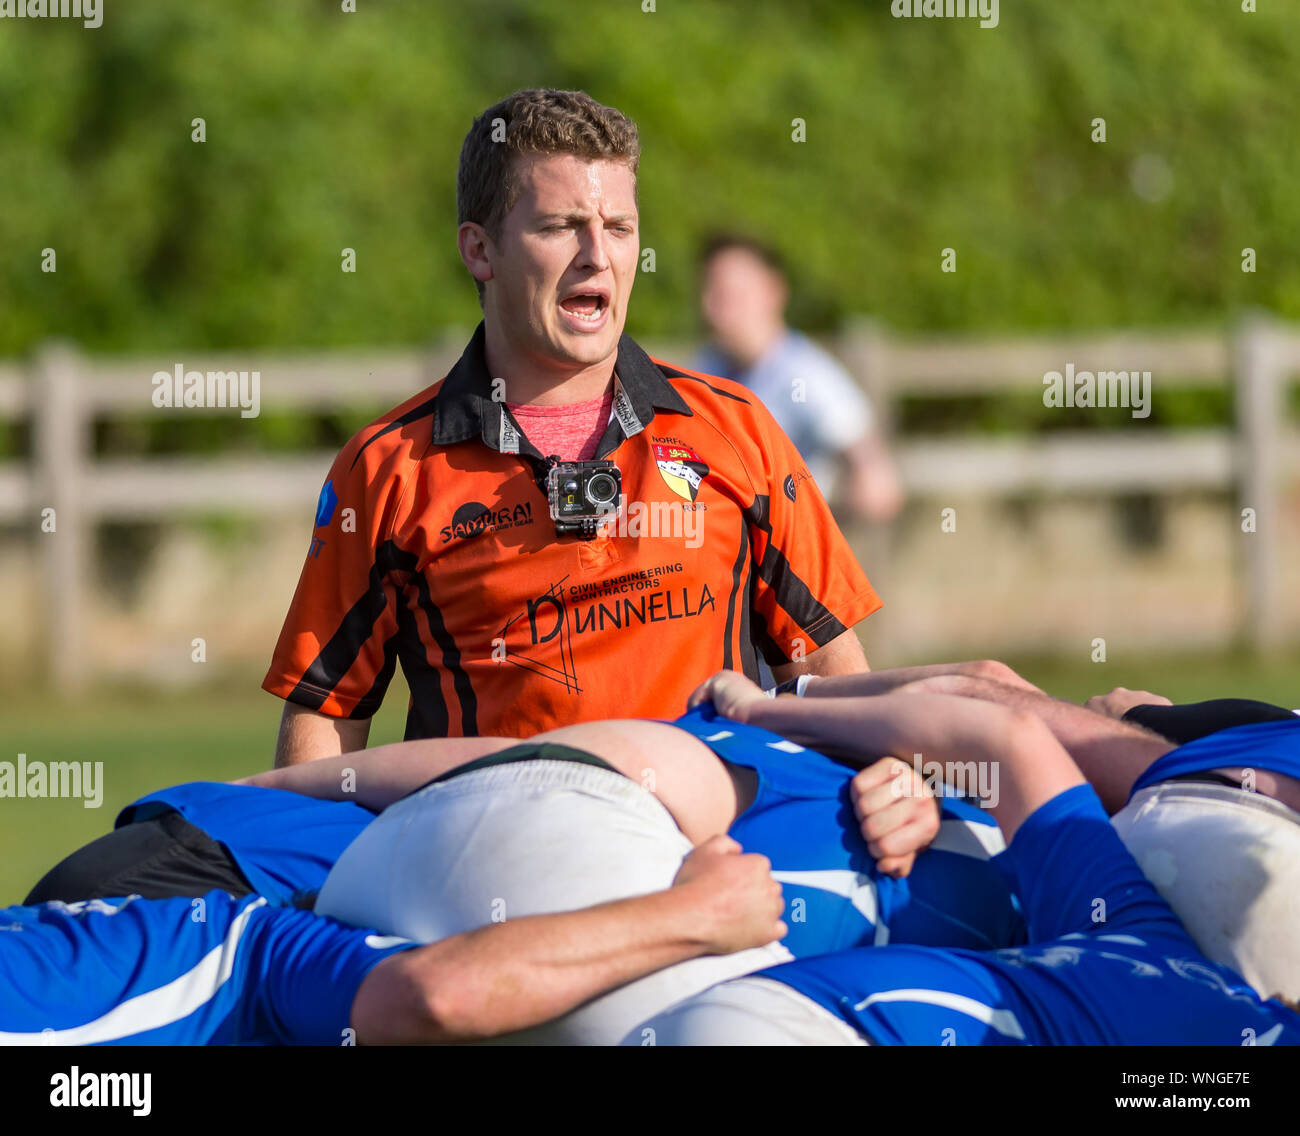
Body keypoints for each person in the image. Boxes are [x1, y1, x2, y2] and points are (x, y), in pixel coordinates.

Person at [264, 90, 881, 767]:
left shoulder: (737, 428)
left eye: (618, 227)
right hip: (496, 830)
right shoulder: (389, 467)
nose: (597, 255)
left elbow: (826, 672)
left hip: (715, 825)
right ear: (480, 250)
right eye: (560, 226)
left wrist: (881, 782)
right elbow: (326, 715)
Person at [246, 685, 1029, 1043]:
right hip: (557, 862)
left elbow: (524, 770)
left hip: (389, 877)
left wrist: (274, 789)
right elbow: (993, 696)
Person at [628, 675, 1300, 1046]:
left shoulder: (1137, 928)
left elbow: (996, 713)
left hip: (767, 1010)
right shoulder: (1139, 936)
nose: (1119, 695)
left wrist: (775, 706)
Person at [0, 838, 783, 1046]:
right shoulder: (236, 950)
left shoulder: (248, 949)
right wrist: (698, 913)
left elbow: (439, 994)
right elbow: (438, 994)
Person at [694, 234, 903, 524]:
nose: (712, 309)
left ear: (773, 292)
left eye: (730, 295)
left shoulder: (805, 374)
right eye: (711, 293)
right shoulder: (708, 366)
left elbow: (877, 483)